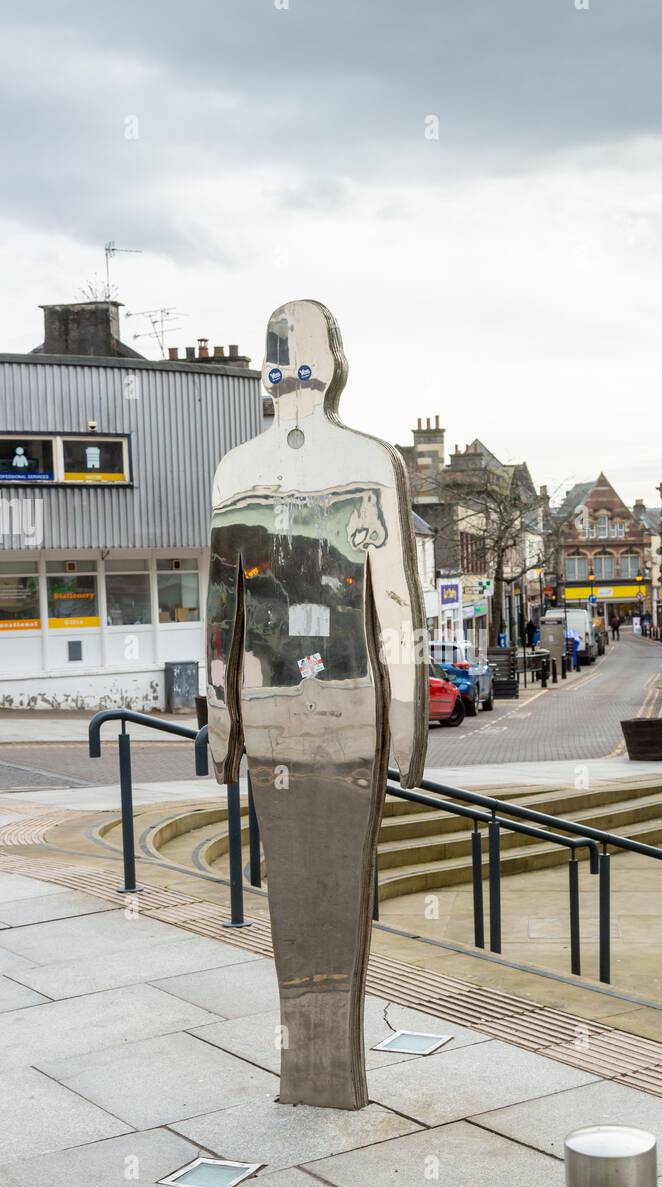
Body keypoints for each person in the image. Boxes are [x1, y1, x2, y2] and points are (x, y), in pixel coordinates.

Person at [207, 299, 428, 1110]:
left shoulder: (260, 469)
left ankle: (321, 1066)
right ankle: (314, 1067)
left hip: (304, 708)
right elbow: (224, 612)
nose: (293, 375)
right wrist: (404, 715)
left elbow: (392, 601)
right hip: (324, 710)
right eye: (286, 357)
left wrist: (223, 720)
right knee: (307, 883)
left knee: (318, 882)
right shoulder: (337, 462)